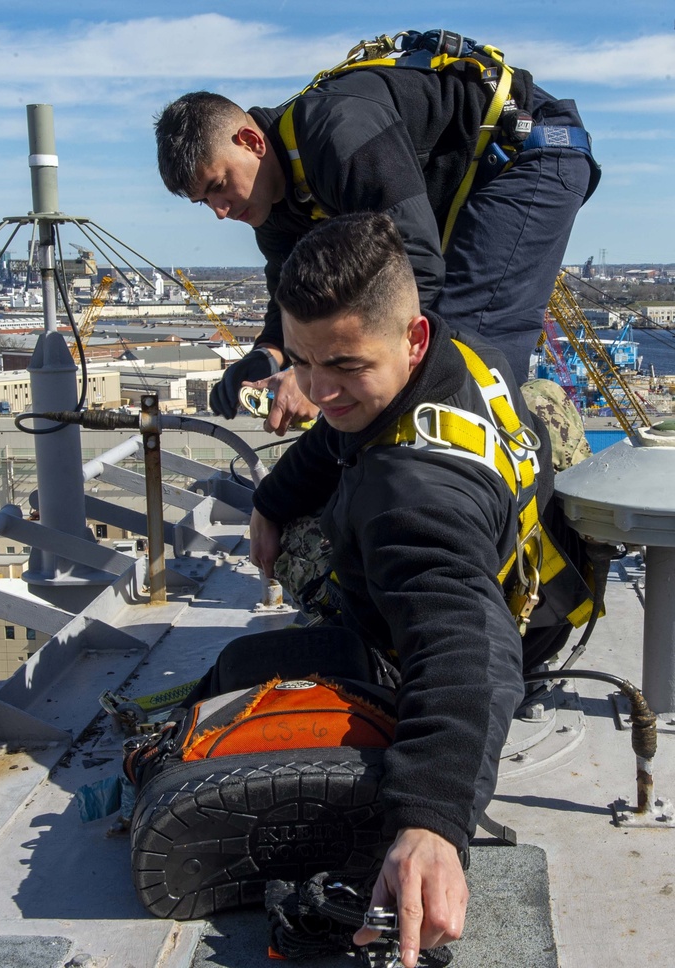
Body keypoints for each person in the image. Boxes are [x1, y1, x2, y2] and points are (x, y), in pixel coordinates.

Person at [220, 211, 577, 967]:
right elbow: (339, 429)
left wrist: (432, 820)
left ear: (411, 339)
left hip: (474, 617)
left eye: (344, 366)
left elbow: (467, 647)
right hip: (535, 583)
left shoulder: (408, 496)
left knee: (330, 552)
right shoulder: (452, 354)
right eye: (304, 363)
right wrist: (273, 499)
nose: (318, 390)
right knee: (354, 436)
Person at [154, 33, 598, 433]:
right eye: (204, 202)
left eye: (218, 186)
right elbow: (294, 300)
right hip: (480, 176)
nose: (220, 210)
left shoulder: (340, 133)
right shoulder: (271, 200)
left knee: (462, 340)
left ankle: (486, 494)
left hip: (531, 153)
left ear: (251, 142)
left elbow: (416, 267)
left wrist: (319, 380)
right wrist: (266, 355)